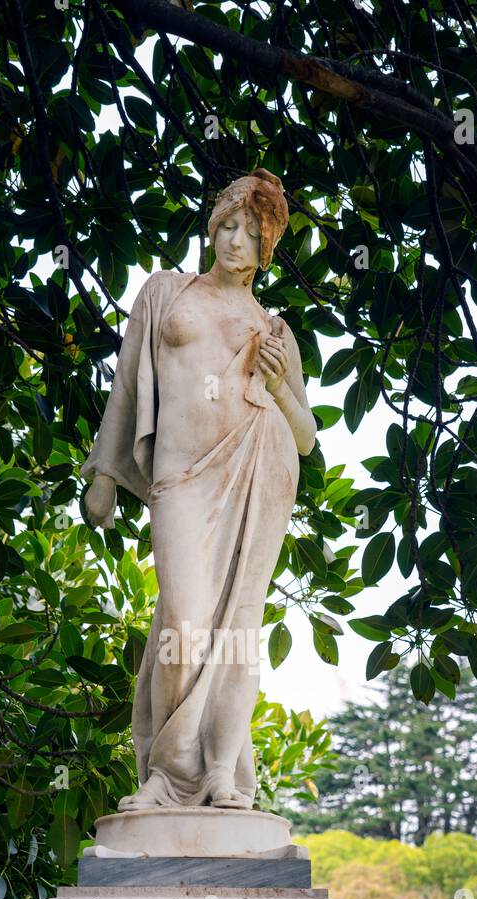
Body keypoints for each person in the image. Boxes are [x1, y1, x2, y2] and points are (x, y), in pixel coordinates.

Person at [82, 169, 316, 811]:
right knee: (183, 623)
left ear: (266, 248)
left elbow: (306, 436)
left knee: (240, 626)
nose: (234, 240)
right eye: (227, 224)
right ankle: (168, 772)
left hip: (258, 469)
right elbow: (128, 380)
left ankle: (219, 771)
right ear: (212, 225)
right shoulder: (165, 292)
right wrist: (105, 473)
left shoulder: (273, 330)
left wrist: (274, 386)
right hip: (181, 478)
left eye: (250, 232)